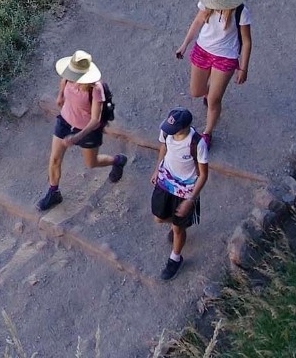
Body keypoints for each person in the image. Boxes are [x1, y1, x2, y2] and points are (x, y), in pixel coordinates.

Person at [37, 49, 128, 212]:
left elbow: (95, 120)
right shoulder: (69, 76)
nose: (71, 75)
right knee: (55, 158)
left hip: (86, 129)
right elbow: (63, 81)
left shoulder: (95, 90)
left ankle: (117, 160)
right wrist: (60, 96)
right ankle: (53, 192)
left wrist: (77, 137)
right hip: (65, 121)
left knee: (92, 163)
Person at [173, 0, 252, 148]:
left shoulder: (241, 12)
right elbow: (197, 22)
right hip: (203, 50)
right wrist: (184, 44)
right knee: (196, 91)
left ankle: (207, 133)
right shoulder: (207, 5)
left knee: (215, 100)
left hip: (226, 57)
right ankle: (210, 93)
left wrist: (243, 68)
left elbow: (246, 41)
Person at [150, 107, 209, 280]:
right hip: (165, 181)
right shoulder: (167, 132)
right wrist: (157, 169)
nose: (169, 132)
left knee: (177, 228)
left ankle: (175, 258)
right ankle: (180, 223)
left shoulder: (197, 144)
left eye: (174, 130)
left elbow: (204, 175)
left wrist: (191, 199)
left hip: (185, 190)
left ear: (184, 128)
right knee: (158, 217)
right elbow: (164, 147)